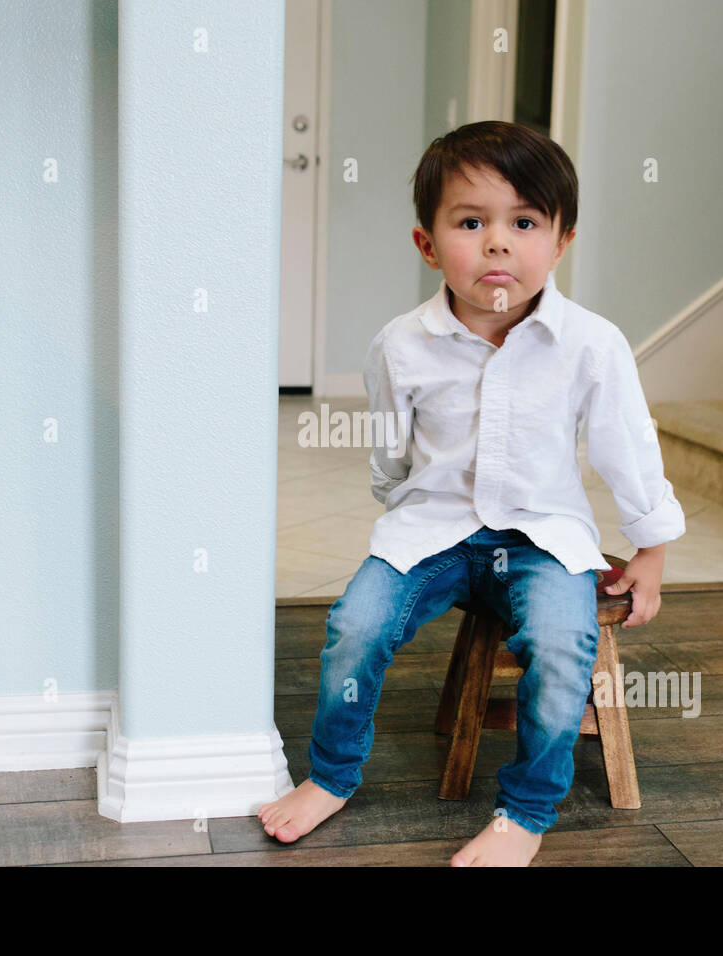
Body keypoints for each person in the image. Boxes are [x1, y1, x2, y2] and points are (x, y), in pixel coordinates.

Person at [259, 120, 686, 866]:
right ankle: (331, 775)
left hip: (542, 537)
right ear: (428, 244)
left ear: (560, 242)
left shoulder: (592, 344)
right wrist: (399, 509)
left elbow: (628, 445)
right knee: (355, 627)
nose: (498, 244)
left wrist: (651, 547)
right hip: (435, 532)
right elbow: (391, 447)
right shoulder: (401, 344)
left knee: (562, 647)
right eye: (471, 222)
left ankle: (525, 811)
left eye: (523, 223)